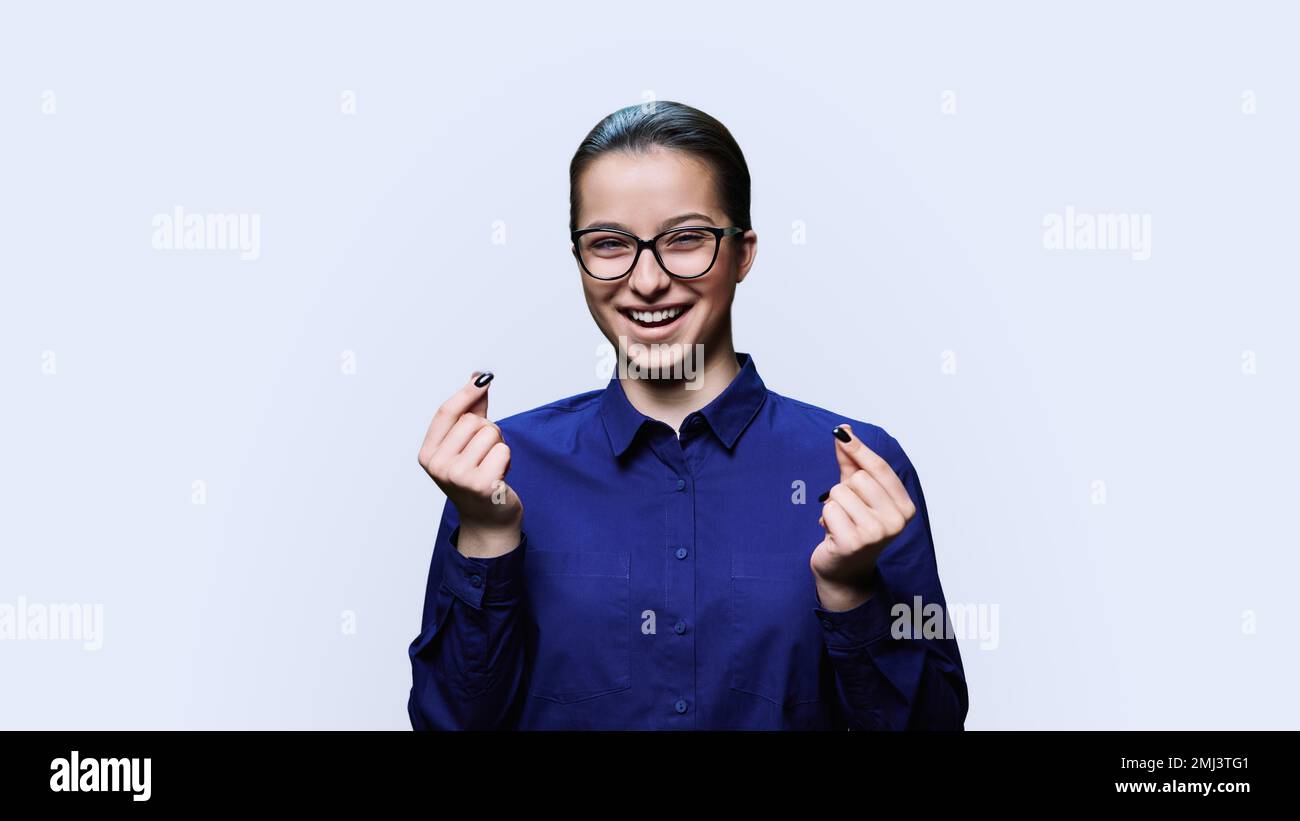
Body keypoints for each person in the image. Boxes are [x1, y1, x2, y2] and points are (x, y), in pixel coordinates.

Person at [408, 101, 968, 730]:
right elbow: (448, 724)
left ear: (743, 253)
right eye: (610, 244)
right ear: (579, 260)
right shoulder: (500, 469)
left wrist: (853, 593)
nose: (647, 280)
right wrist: (486, 537)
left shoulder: (858, 467)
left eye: (686, 238)